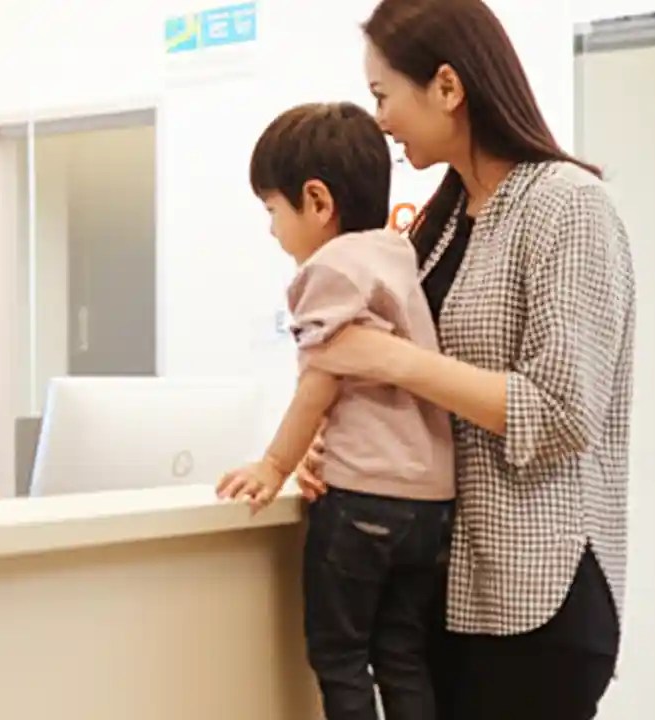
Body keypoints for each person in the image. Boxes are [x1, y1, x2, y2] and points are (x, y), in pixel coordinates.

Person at [297, 1, 635, 718]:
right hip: (445, 585)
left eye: (384, 95)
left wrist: (391, 361)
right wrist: (328, 445)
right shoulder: (440, 221)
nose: (379, 119)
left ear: (447, 87)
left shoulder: (568, 206)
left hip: (537, 596)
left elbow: (563, 412)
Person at [216, 102, 455, 720]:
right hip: (429, 503)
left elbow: (320, 380)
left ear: (317, 202)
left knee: (341, 656)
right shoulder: (396, 255)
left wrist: (274, 465)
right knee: (401, 655)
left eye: (272, 209)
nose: (271, 230)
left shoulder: (329, 268)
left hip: (363, 500)